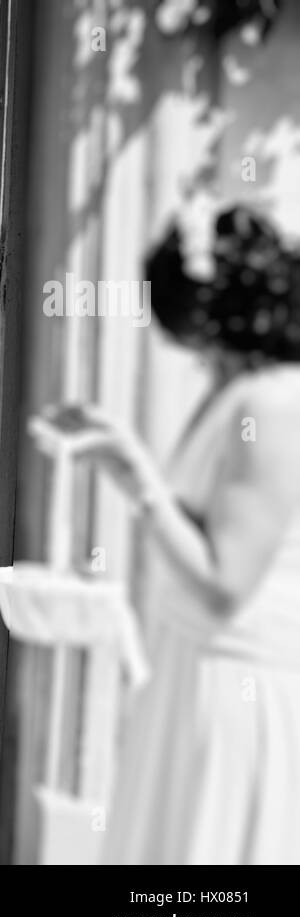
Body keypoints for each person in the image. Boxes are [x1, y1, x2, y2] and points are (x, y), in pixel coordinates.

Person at [38, 205, 300, 863]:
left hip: (230, 685)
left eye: (188, 325)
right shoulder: (238, 392)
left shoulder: (272, 404)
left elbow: (222, 583)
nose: (184, 346)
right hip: (189, 670)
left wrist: (136, 475)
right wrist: (123, 463)